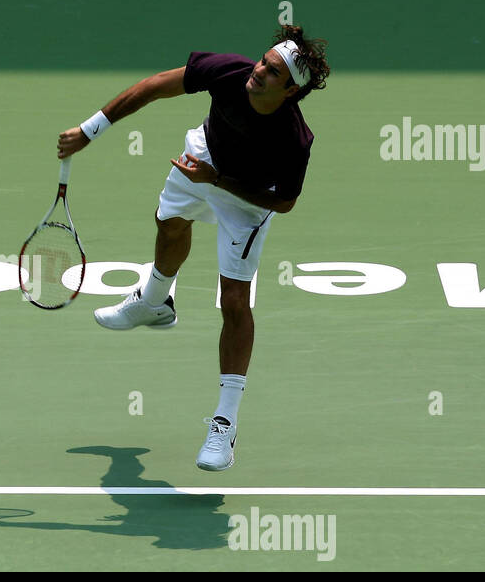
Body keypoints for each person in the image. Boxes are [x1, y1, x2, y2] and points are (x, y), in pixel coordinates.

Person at [55, 24, 329, 472]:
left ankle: (225, 423)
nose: (258, 71)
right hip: (204, 157)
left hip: (246, 198)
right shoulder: (228, 72)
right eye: (263, 60)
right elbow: (154, 87)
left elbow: (285, 201)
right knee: (168, 224)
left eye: (272, 71)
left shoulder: (294, 139)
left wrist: (217, 181)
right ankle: (155, 303)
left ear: (290, 92)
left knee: (235, 301)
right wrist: (90, 130)